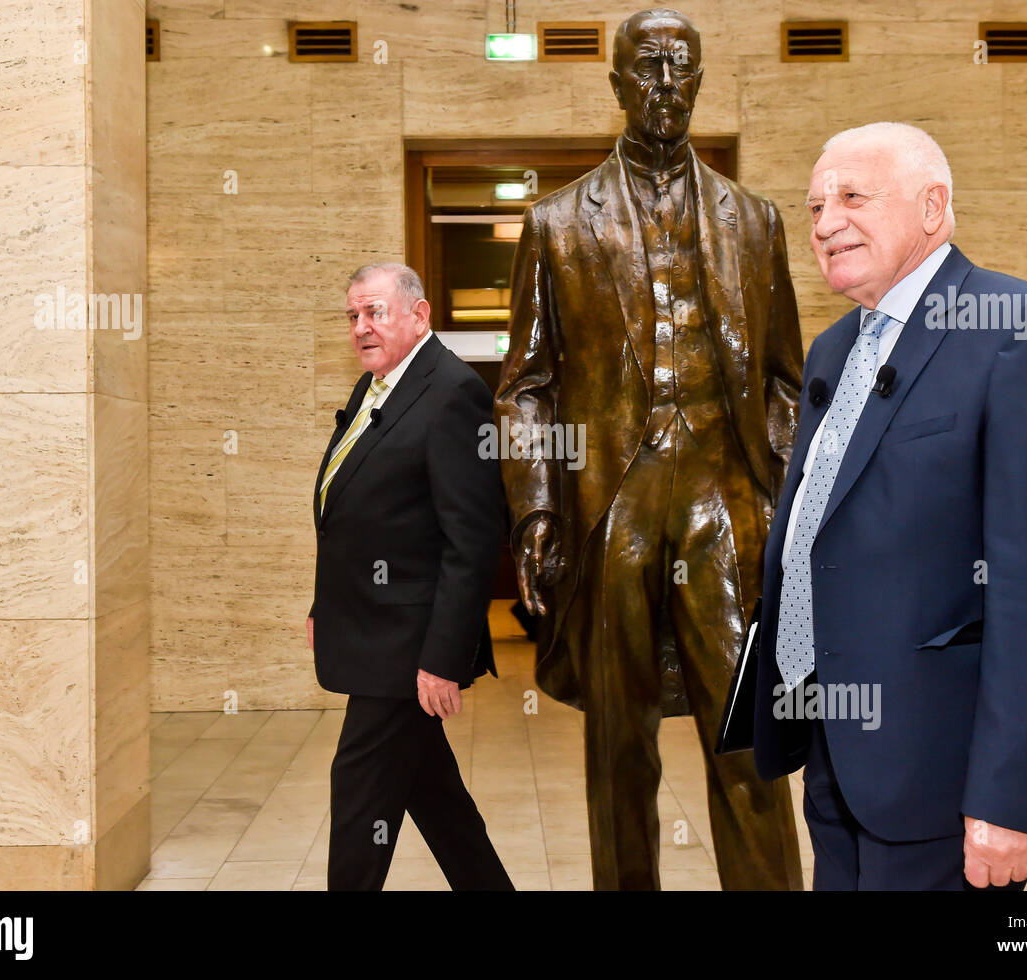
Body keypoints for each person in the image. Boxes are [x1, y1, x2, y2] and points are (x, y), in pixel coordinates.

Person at [496, 8, 804, 890]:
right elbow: (524, 387)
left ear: (700, 80)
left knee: (747, 739)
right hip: (613, 506)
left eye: (682, 68)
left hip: (726, 502)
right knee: (618, 749)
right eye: (648, 68)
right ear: (617, 84)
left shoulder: (755, 220)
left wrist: (786, 500)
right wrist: (537, 508)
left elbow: (788, 379)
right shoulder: (557, 223)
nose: (667, 85)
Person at [752, 122, 1027, 890]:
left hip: (944, 776)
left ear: (932, 207)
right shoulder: (833, 350)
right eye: (815, 207)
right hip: (835, 752)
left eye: (853, 198)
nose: (826, 223)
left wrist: (1011, 798)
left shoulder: (1019, 328)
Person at [307, 262, 513, 891]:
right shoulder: (376, 386)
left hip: (406, 644)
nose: (360, 327)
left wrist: (442, 660)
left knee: (359, 795)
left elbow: (472, 539)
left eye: (375, 312)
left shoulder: (452, 393)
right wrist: (323, 607)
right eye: (352, 316)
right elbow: (354, 514)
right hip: (372, 630)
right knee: (437, 799)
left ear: (419, 315)